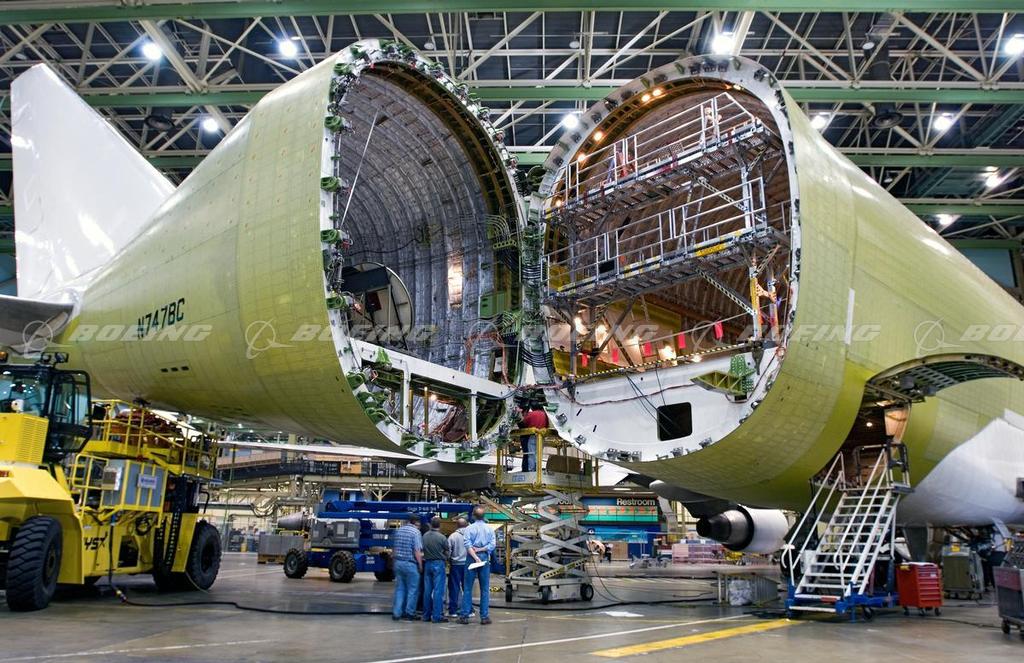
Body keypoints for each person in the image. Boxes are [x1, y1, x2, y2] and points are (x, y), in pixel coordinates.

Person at [459, 506, 496, 625]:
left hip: (472, 558)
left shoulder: (469, 529)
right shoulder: (489, 529)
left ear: (473, 516)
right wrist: (482, 549)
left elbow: (467, 545)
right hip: (484, 557)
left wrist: (475, 556)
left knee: (468, 588)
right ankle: (484, 617)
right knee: (485, 589)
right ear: (484, 516)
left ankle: (464, 616)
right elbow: (492, 545)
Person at [391, 513, 423, 621]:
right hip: (410, 564)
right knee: (412, 590)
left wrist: (393, 562)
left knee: (400, 589)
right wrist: (420, 565)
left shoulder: (399, 530)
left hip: (398, 563)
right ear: (417, 523)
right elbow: (417, 551)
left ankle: (396, 613)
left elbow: (394, 549)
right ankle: (410, 613)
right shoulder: (416, 532)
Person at [421, 517, 449, 623]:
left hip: (427, 563)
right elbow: (447, 551)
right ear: (439, 525)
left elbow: (422, 548)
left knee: (427, 591)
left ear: (431, 525)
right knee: (438, 591)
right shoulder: (442, 537)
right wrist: (445, 558)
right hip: (438, 564)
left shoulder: (425, 536)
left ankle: (426, 615)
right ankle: (437, 616)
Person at [447, 517, 469, 618]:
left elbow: (448, 552)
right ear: (466, 525)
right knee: (467, 588)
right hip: (468, 565)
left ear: (457, 525)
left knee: (454, 588)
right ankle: (468, 610)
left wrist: (448, 559)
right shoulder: (470, 535)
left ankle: (453, 611)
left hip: (455, 565)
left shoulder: (452, 536)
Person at [520, 401, 548, 473]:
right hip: (541, 437)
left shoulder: (531, 414)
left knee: (531, 454)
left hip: (532, 437)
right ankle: (538, 471)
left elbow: (524, 424)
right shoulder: (544, 414)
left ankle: (531, 470)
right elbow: (547, 425)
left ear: (532, 407)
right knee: (538, 455)